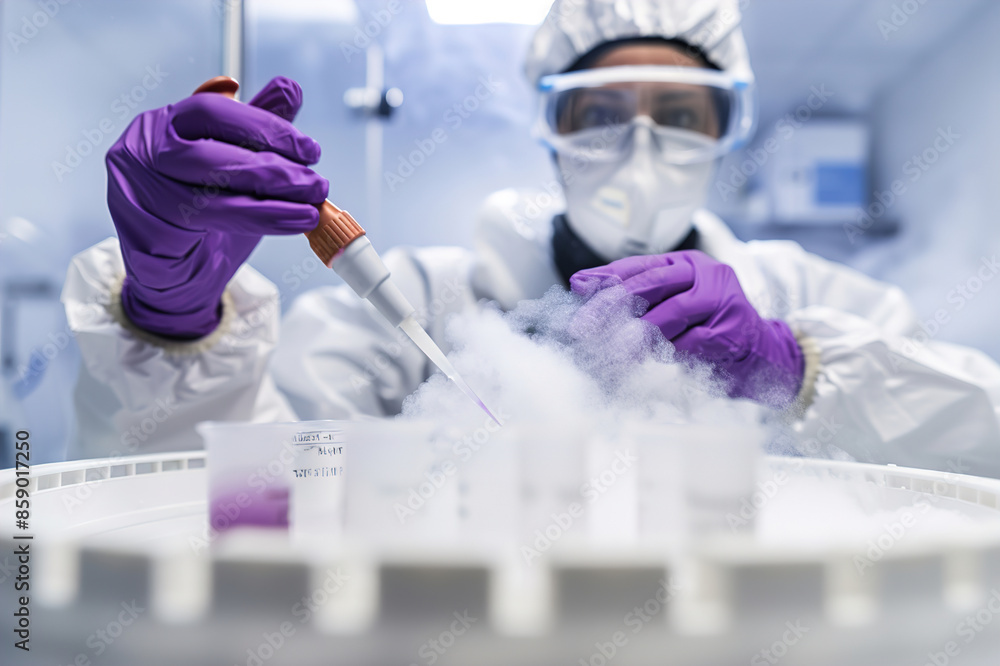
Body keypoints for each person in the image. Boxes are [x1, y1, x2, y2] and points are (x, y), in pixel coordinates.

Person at [62, 0, 1000, 477]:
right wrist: (174, 323)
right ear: (551, 128)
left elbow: (973, 465)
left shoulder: (830, 309)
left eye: (683, 112)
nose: (641, 143)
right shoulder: (412, 310)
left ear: (726, 130)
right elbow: (237, 509)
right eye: (600, 111)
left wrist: (794, 367)